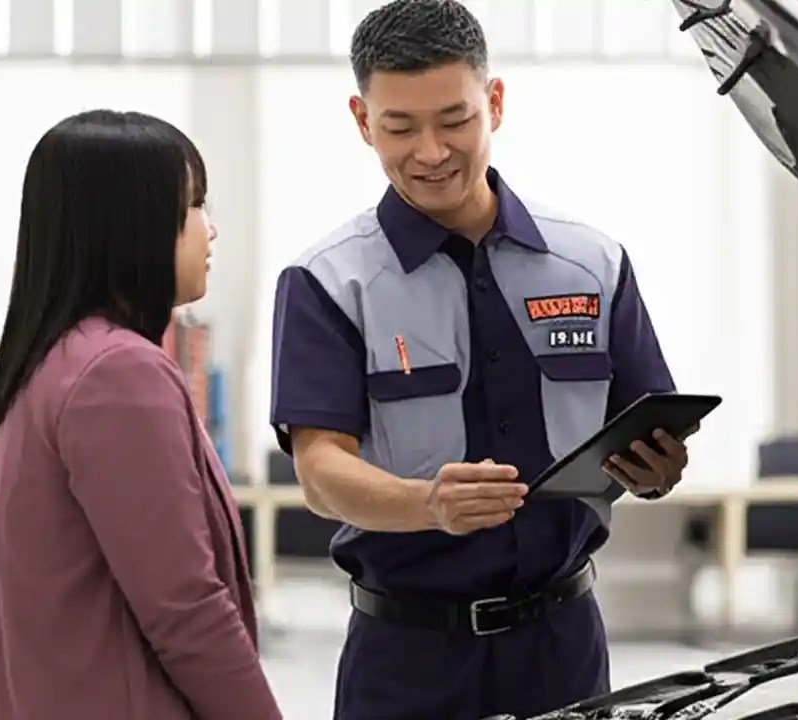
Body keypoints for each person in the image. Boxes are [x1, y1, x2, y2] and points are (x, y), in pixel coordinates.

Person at [267, 1, 696, 717]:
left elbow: (644, 427)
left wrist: (656, 471)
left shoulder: (592, 264)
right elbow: (320, 474)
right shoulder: (328, 282)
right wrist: (427, 505)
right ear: (362, 121)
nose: (431, 152)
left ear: (494, 103)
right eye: (400, 127)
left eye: (454, 120)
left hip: (563, 649)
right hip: (406, 660)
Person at [0, 110, 283, 720]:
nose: (211, 230)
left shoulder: (52, 360)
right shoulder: (117, 374)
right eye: (194, 206)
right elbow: (186, 607)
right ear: (133, 224)